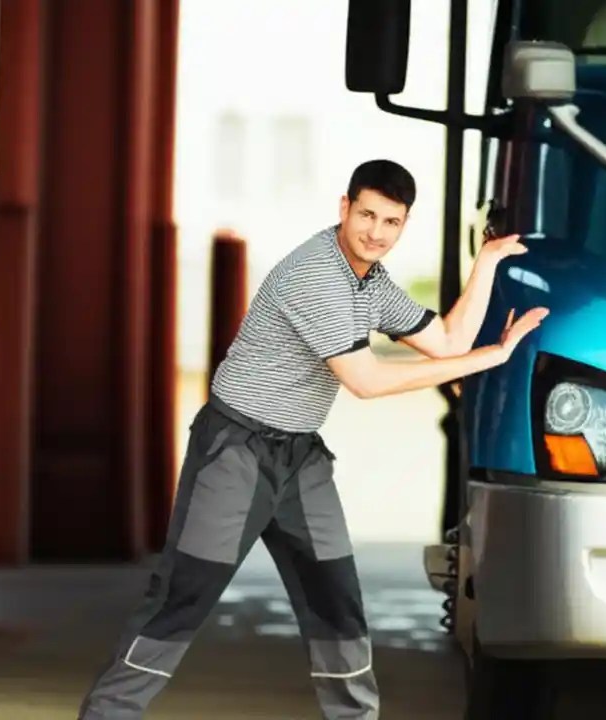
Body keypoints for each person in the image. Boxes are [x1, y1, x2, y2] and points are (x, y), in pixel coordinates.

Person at [77, 159, 549, 719]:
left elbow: (447, 340)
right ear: (344, 208)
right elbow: (367, 382)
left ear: (404, 225)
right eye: (367, 215)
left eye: (391, 222)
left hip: (299, 456)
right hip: (237, 450)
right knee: (182, 597)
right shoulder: (317, 275)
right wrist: (488, 359)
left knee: (337, 600)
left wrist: (487, 262)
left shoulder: (370, 282)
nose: (376, 232)